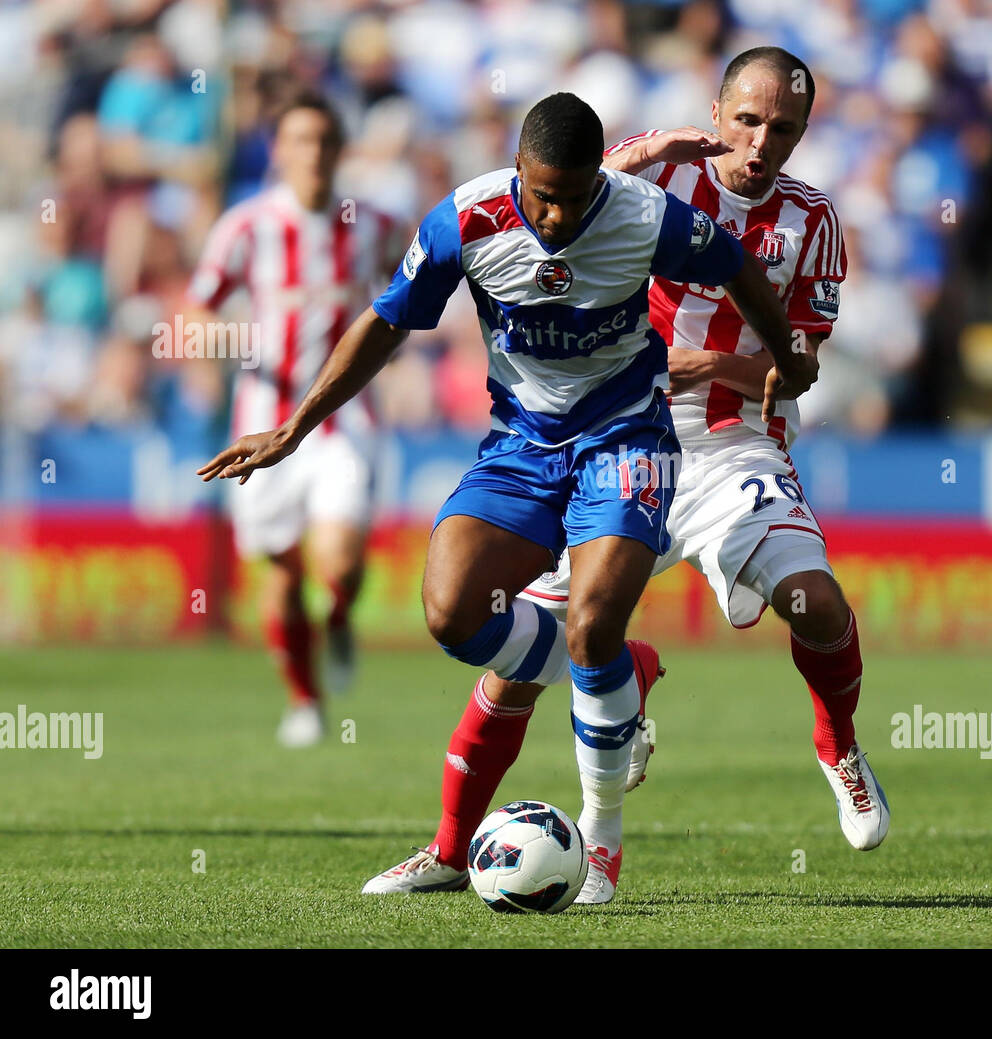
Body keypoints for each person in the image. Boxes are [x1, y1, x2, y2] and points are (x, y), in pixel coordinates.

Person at [197, 92, 814, 893]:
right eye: (543, 194)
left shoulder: (645, 216)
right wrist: (293, 428)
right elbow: (387, 323)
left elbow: (736, 267)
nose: (556, 216)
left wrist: (788, 359)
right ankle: (620, 672)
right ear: (516, 169)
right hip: (521, 446)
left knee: (590, 619)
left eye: (575, 195)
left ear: (602, 176)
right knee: (453, 612)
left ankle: (600, 844)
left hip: (627, 440)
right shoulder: (465, 219)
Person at [372, 49, 891, 907]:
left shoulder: (815, 221)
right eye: (749, 121)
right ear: (717, 110)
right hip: (614, 435)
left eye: (786, 129)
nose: (763, 143)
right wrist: (643, 156)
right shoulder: (657, 174)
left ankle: (838, 745)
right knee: (517, 665)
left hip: (730, 445)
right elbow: (566, 212)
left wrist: (712, 360)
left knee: (818, 603)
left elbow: (797, 362)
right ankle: (449, 847)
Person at [186, 90, 400, 747]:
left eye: (325, 141)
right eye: (300, 141)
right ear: (279, 151)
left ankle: (338, 615)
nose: (314, 154)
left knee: (339, 559)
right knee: (279, 570)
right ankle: (304, 701)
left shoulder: (372, 224)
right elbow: (199, 308)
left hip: (343, 417)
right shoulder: (247, 226)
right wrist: (211, 353)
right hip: (261, 416)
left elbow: (418, 282)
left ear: (339, 151)